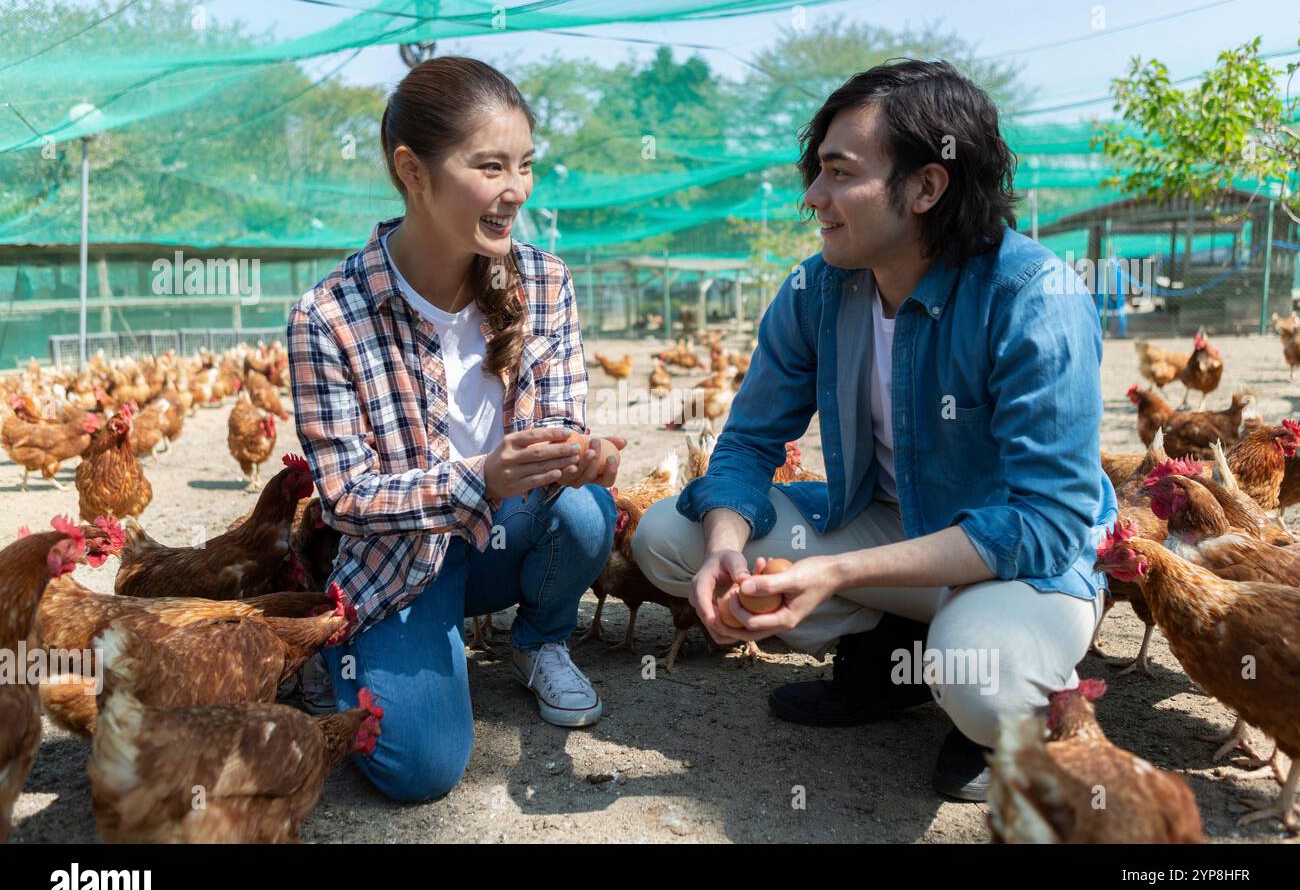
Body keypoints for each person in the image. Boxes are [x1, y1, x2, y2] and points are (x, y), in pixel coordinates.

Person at [631, 59, 1116, 802]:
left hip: (1021, 562)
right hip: (897, 532)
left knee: (980, 684)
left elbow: (1048, 522)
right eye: (815, 172)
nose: (813, 198)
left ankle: (1000, 697)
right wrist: (727, 549)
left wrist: (836, 572)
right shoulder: (818, 288)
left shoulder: (1033, 297)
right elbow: (751, 442)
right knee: (669, 537)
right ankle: (895, 654)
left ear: (927, 186)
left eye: (837, 173)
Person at [287, 56, 621, 803]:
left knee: (586, 510)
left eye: (527, 166)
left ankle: (538, 640)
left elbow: (559, 423)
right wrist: (481, 478)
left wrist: (580, 454)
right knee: (420, 771)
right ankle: (351, 655)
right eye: (491, 165)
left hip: (508, 529)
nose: (518, 191)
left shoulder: (543, 281)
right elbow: (344, 501)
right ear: (413, 170)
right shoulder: (330, 317)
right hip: (403, 559)